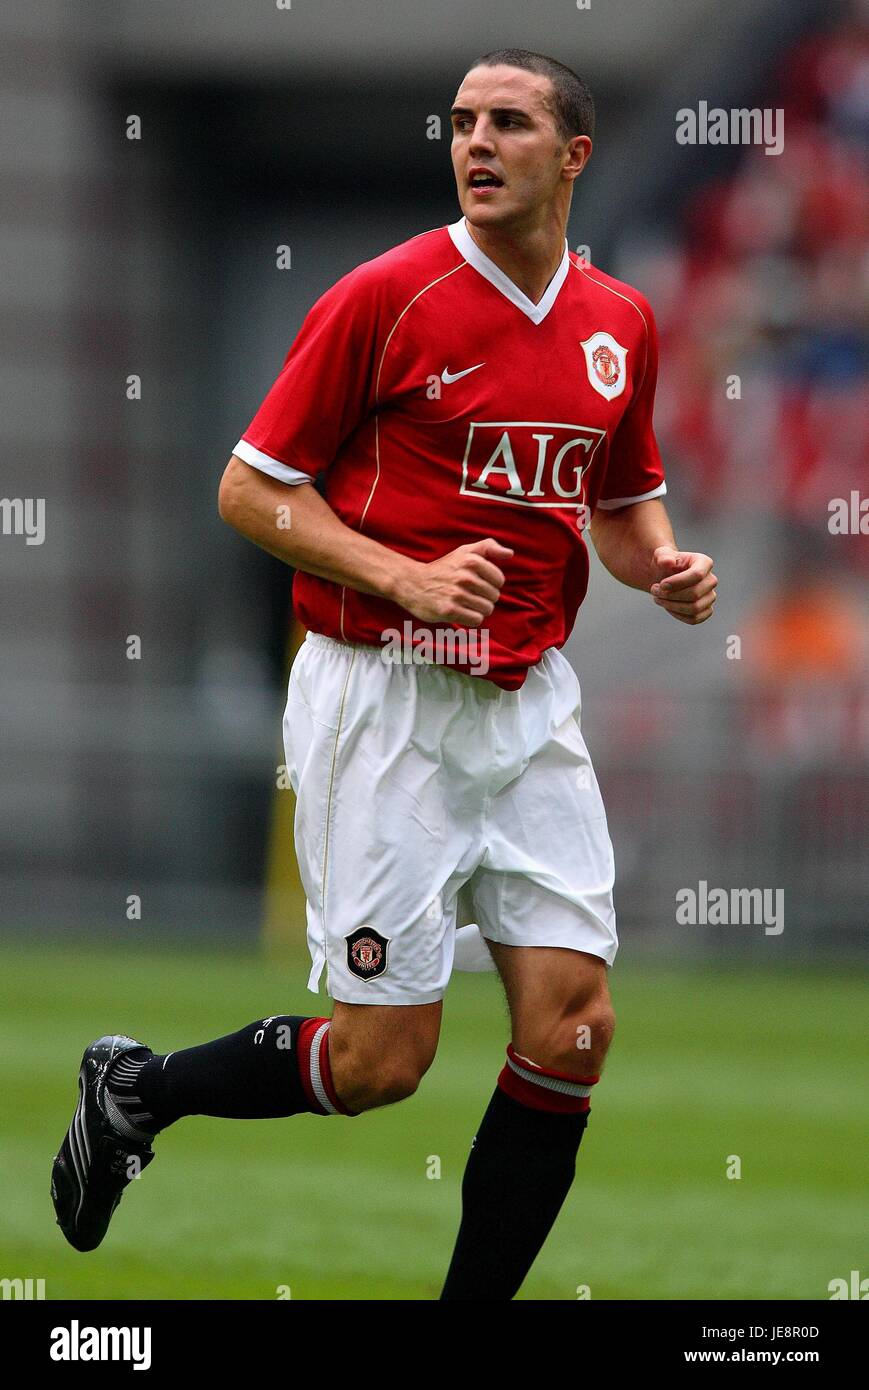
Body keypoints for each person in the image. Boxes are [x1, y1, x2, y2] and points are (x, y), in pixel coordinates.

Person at [52, 48, 717, 1300]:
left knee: (573, 1025)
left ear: (571, 156)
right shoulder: (384, 296)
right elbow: (248, 488)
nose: (475, 143)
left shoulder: (614, 321)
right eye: (461, 122)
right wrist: (403, 579)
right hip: (384, 695)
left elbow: (623, 512)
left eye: (507, 123)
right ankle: (136, 1088)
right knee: (380, 1064)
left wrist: (666, 567)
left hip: (529, 701)